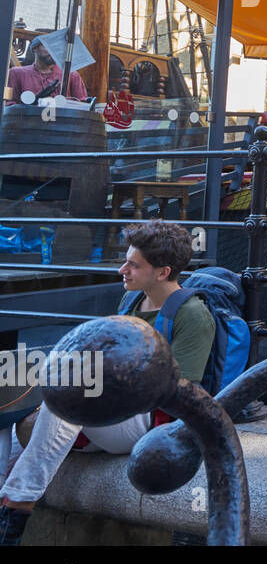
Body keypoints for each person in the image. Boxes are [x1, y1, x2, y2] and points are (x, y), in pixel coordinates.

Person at [0, 220, 214, 545]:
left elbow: (177, 395)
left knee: (71, 402)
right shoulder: (130, 302)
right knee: (7, 398)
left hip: (148, 425)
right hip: (108, 413)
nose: (122, 270)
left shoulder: (192, 316)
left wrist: (103, 384)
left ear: (162, 272)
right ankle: (7, 501)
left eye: (133, 264)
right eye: (125, 260)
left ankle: (16, 509)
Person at [5, 37, 88, 106]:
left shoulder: (71, 74)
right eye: (48, 47)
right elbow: (8, 104)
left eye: (56, 48)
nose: (53, 51)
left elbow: (82, 104)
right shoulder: (16, 73)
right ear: (35, 49)